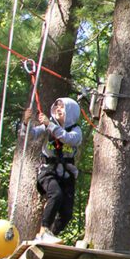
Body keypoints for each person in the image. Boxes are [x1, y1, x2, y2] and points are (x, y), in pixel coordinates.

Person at [22, 98, 83, 244]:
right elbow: (29, 136)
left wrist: (50, 125)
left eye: (62, 107)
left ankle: (51, 233)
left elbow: (69, 139)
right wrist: (26, 123)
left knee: (67, 213)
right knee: (55, 194)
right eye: (56, 106)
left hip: (66, 175)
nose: (58, 109)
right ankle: (43, 230)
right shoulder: (47, 127)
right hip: (48, 171)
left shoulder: (76, 130)